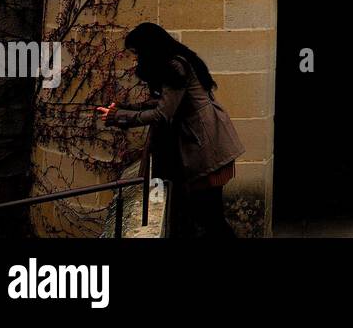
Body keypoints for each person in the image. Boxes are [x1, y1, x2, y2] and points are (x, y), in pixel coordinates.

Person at [97, 22, 245, 238]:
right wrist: (123, 110)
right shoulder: (175, 63)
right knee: (205, 217)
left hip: (207, 149)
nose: (136, 59)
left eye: (137, 53)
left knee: (211, 219)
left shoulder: (175, 66)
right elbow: (161, 103)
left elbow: (162, 114)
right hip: (204, 145)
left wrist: (119, 116)